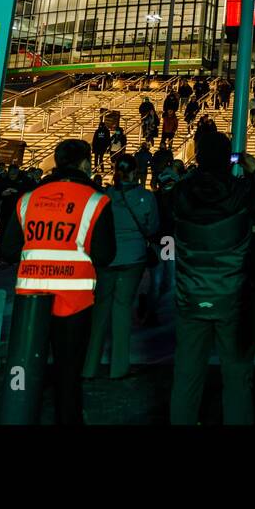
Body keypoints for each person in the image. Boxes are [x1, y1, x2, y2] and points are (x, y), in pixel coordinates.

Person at [0, 139, 116, 424]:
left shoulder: (28, 199)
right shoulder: (95, 200)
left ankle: (21, 415)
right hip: (73, 301)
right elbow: (105, 255)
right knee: (68, 374)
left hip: (31, 298)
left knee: (25, 368)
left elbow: (7, 251)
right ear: (86, 163)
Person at [170, 132, 255, 424]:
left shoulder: (180, 193)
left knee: (186, 377)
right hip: (233, 296)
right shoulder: (241, 192)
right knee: (238, 378)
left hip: (190, 296)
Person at [83, 153, 158, 380]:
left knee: (100, 311)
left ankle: (89, 366)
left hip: (106, 258)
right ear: (136, 172)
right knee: (123, 308)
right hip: (132, 257)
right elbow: (153, 227)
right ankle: (119, 367)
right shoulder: (145, 197)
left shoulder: (103, 196)